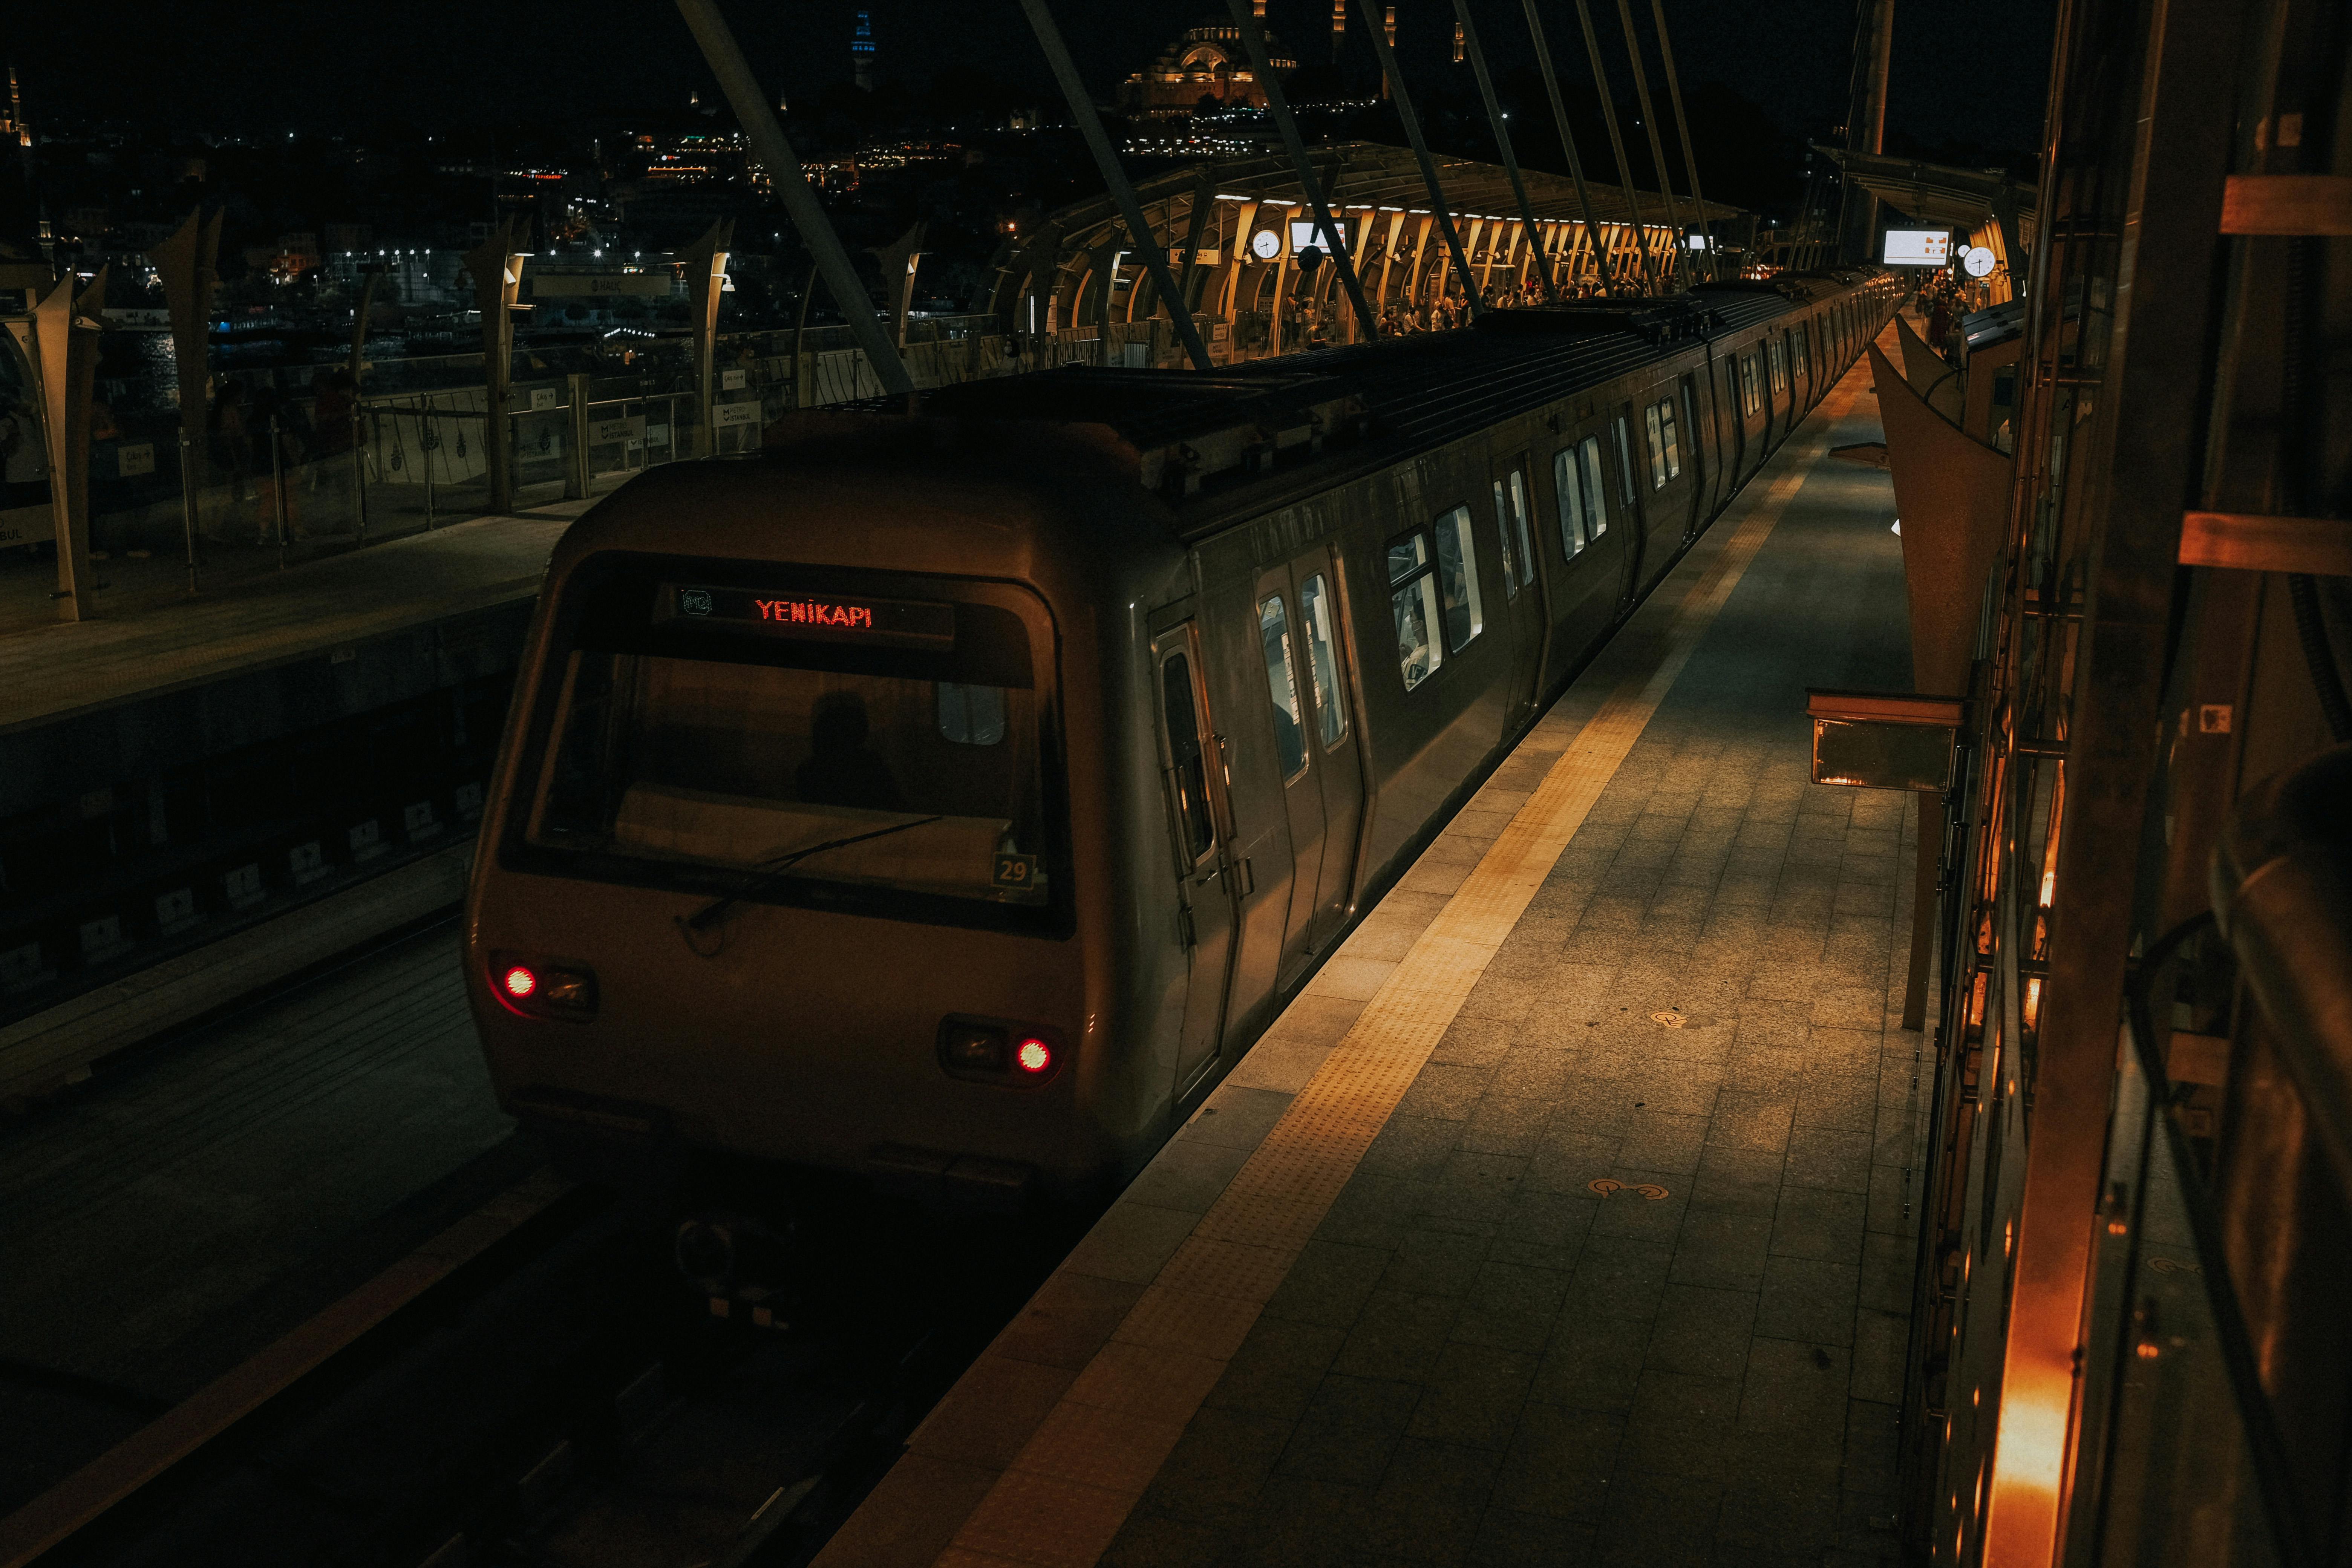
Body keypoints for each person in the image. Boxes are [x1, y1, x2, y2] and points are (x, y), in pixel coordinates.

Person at [796, 692, 907, 812]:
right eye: (836, 727)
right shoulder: (872, 765)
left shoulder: (810, 769)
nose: (841, 734)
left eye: (846, 727)